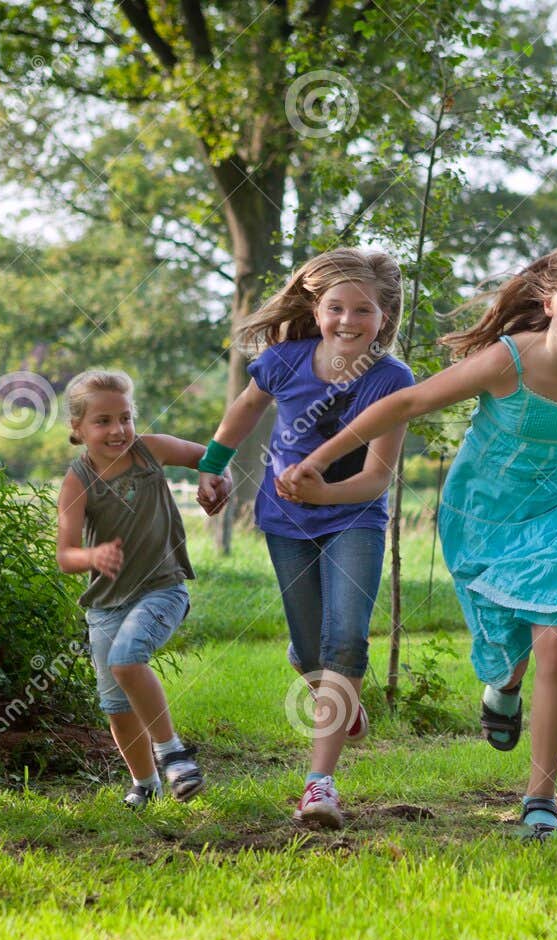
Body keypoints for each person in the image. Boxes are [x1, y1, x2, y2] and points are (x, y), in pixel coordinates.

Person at [279, 242, 557, 839]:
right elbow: (407, 401)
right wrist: (318, 461)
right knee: (508, 649)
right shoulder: (509, 361)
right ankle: (503, 687)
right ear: (549, 300)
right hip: (484, 516)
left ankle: (540, 801)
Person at [196, 249, 413, 829]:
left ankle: (319, 786)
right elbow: (243, 411)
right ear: (316, 311)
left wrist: (321, 495)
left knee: (345, 642)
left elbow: (374, 478)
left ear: (383, 316)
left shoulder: (393, 380)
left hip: (354, 519)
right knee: (312, 652)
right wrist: (212, 466)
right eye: (336, 308)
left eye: (362, 310)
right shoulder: (284, 361)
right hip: (285, 521)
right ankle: (337, 696)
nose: (348, 321)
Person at [56, 369, 207, 810]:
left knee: (127, 659)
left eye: (125, 417)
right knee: (116, 708)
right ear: (78, 428)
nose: (118, 430)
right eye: (103, 421)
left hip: (163, 587)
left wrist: (214, 479)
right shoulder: (78, 480)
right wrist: (92, 557)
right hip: (104, 607)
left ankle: (174, 754)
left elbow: (212, 457)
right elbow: (65, 555)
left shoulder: (151, 451)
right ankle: (146, 784)